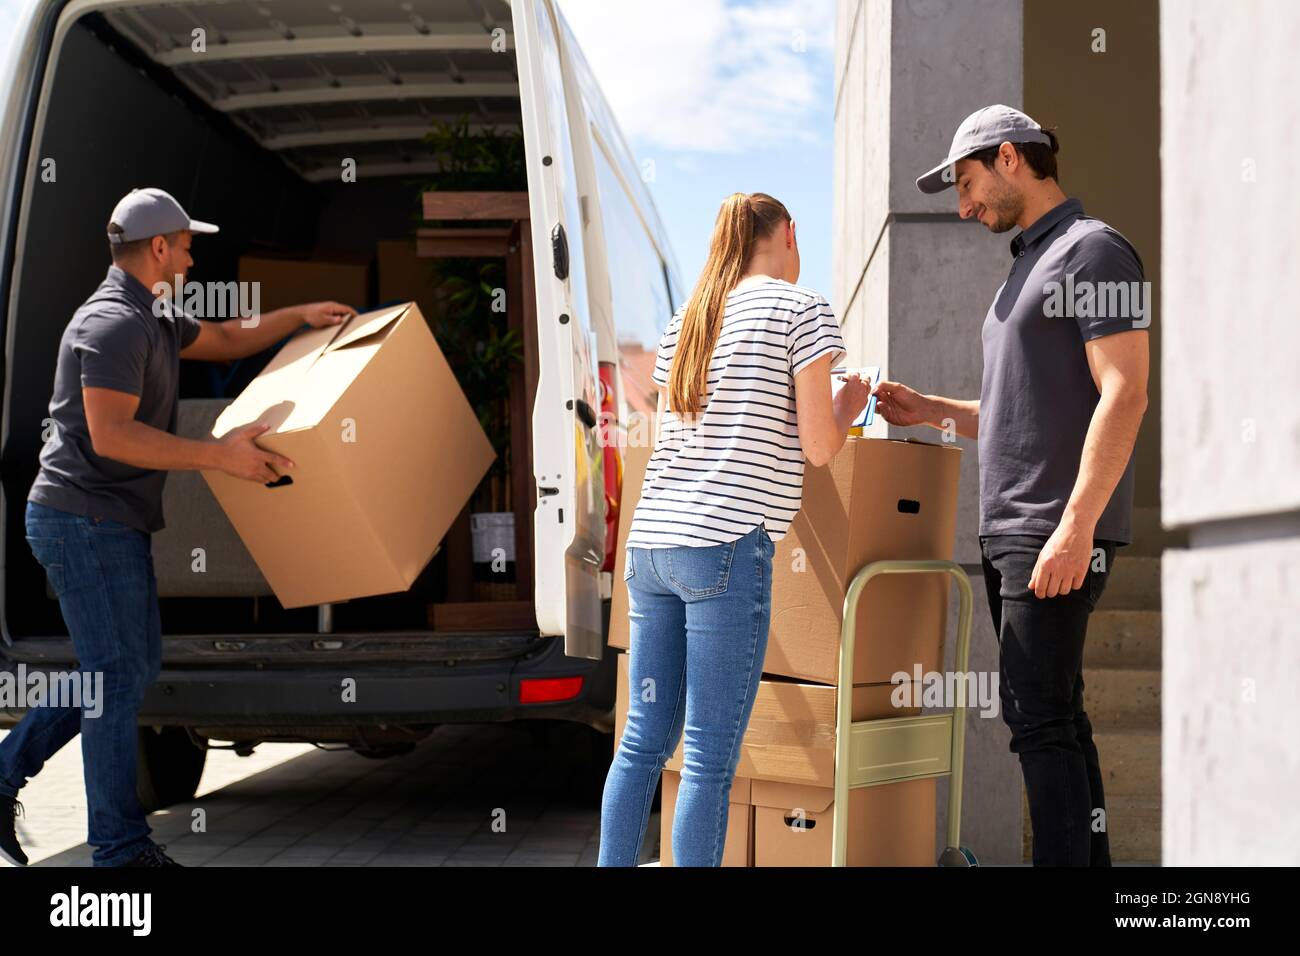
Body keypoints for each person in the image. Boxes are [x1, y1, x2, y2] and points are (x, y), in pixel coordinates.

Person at [0, 187, 355, 867]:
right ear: (158, 247)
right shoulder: (111, 324)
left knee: (122, 670)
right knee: (113, 677)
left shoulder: (154, 313)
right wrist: (221, 457)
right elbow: (112, 436)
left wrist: (297, 315)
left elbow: (224, 336)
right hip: (81, 520)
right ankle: (118, 851)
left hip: (108, 522)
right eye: (187, 244)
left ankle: (7, 774)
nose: (193, 256)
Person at [874, 105, 1150, 866]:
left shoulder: (1097, 252)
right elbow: (1010, 413)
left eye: (966, 185)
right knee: (1058, 717)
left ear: (1009, 158)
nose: (964, 207)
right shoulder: (1025, 268)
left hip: (1052, 532)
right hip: (1012, 535)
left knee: (1037, 722)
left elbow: (1126, 390)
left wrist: (1075, 525)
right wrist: (930, 410)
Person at [598, 192, 870, 866]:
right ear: (788, 232)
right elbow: (818, 446)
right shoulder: (799, 308)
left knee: (642, 741)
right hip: (722, 545)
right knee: (710, 756)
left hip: (651, 547)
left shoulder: (686, 320)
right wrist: (849, 401)